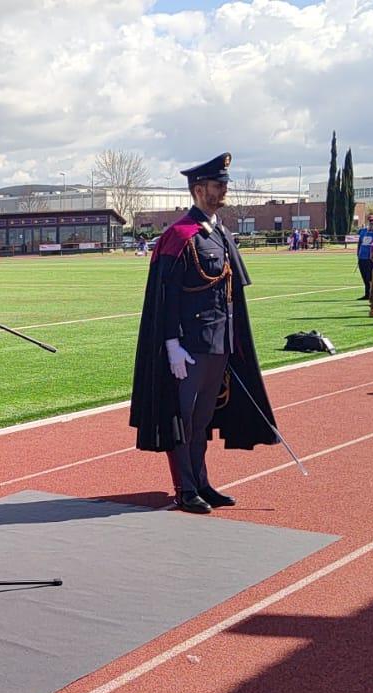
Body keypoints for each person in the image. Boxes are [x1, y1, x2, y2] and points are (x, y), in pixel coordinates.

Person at [130, 152, 280, 514]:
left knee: (202, 420)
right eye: (218, 185)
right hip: (189, 347)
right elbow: (165, 298)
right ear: (199, 190)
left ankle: (201, 481)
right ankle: (184, 488)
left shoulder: (219, 233)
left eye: (224, 184)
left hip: (219, 343)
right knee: (181, 419)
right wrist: (171, 344)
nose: (224, 190)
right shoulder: (179, 236)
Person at [355, 213, 373, 300]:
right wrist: (358, 253)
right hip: (362, 257)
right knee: (364, 276)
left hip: (371, 258)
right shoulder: (363, 231)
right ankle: (367, 294)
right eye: (370, 220)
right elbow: (360, 242)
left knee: (370, 277)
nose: (371, 222)